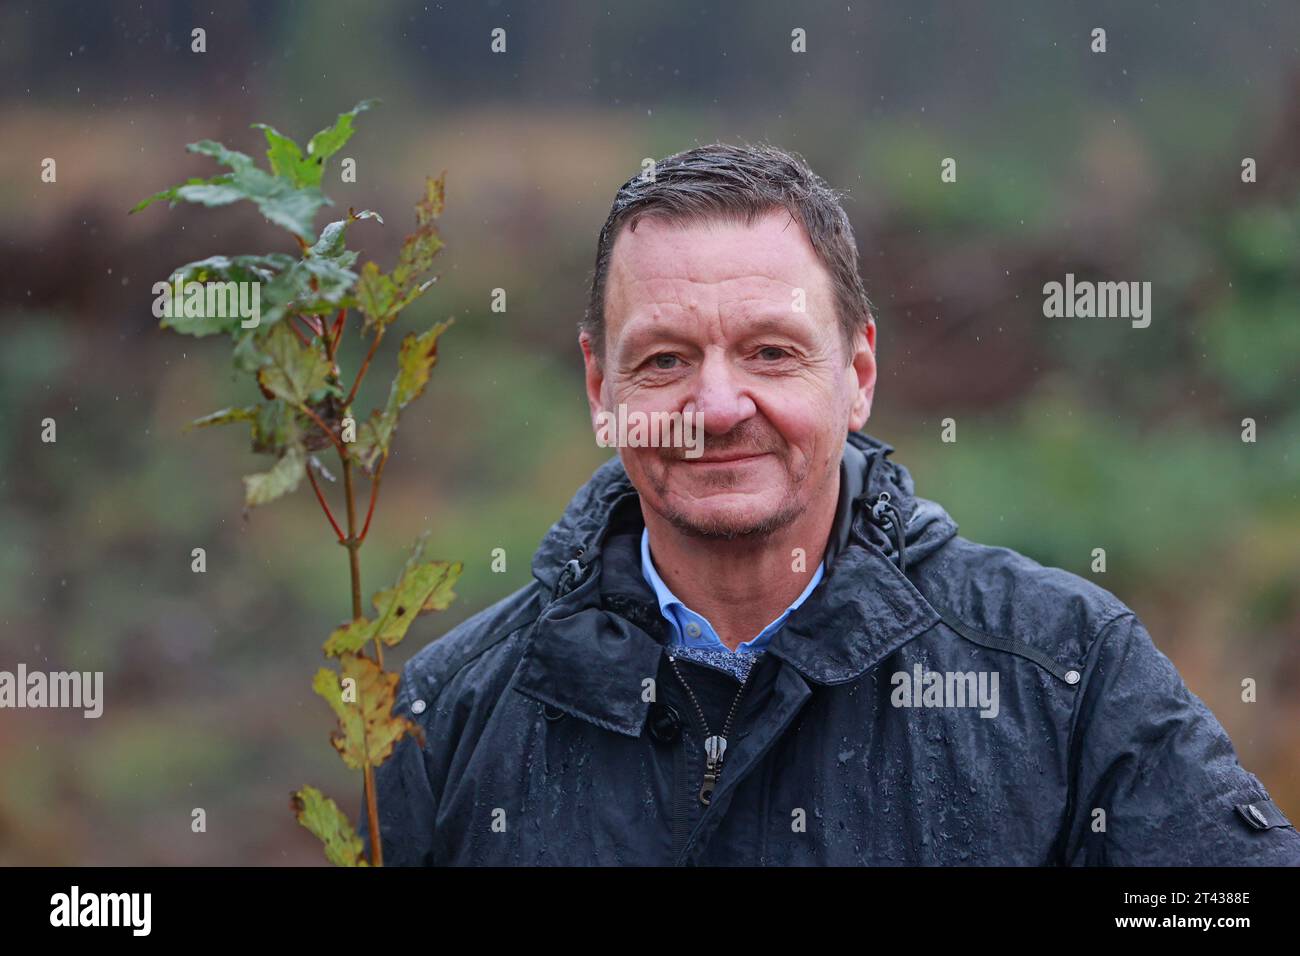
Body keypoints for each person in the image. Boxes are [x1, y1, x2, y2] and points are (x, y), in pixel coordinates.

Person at [361, 143, 1299, 865]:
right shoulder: (447, 713)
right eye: (665, 361)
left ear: (858, 375)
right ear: (601, 389)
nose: (719, 408)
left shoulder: (1064, 667)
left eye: (771, 352)